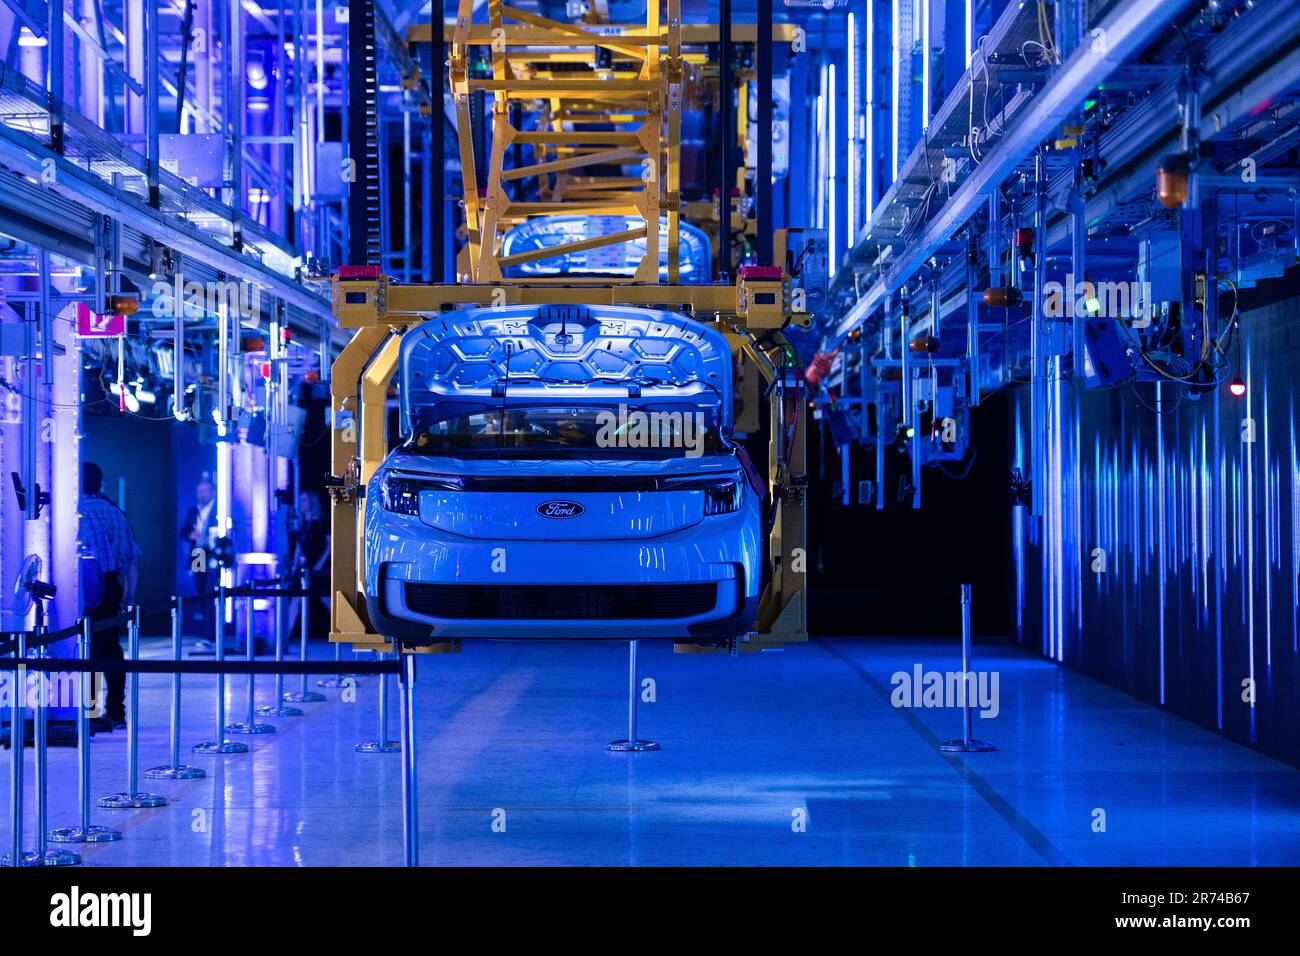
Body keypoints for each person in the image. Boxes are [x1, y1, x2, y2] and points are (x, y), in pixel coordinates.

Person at [78, 461, 140, 731]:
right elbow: (132, 560)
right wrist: (129, 597)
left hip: (83, 586)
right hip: (112, 585)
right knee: (111, 648)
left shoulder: (74, 511)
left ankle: (90, 713)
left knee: (88, 648)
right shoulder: (114, 512)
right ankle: (116, 711)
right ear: (100, 483)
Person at [287, 492, 330, 639]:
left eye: (304, 500)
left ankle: (347, 631)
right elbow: (299, 546)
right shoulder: (303, 523)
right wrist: (294, 565)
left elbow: (330, 545)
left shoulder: (322, 521)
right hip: (304, 567)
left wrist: (320, 563)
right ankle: (284, 638)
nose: (301, 503)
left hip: (318, 566)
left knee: (326, 599)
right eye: (300, 500)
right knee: (296, 600)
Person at [179, 478, 218, 639]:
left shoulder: (219, 509)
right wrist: (190, 535)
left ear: (213, 492)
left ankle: (210, 634)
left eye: (205, 491)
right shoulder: (193, 510)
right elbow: (183, 532)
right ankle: (208, 630)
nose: (201, 495)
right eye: (199, 492)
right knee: (200, 590)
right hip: (198, 554)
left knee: (210, 591)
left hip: (213, 554)